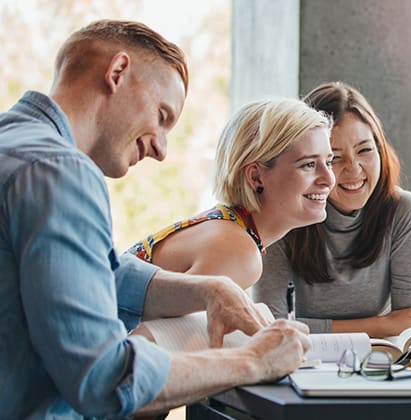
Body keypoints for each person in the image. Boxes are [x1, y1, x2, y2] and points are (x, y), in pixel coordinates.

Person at [0, 20, 311, 418]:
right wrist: (254, 361)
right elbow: (104, 379)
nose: (161, 149)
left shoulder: (17, 150)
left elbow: (89, 274)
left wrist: (207, 290)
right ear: (117, 73)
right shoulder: (60, 172)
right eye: (162, 116)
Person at [254, 82, 411, 337]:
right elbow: (270, 326)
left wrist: (390, 327)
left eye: (364, 150)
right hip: (303, 363)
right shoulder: (285, 213)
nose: (353, 169)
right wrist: (381, 325)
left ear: (381, 150)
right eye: (335, 158)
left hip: (380, 363)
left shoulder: (403, 212)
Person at [127, 98, 335, 290]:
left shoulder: (230, 228)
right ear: (255, 177)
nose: (329, 179)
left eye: (329, 162)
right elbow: (153, 330)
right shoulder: (238, 252)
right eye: (308, 165)